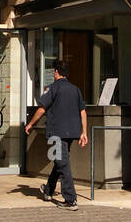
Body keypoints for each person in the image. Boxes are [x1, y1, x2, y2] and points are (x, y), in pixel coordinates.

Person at [24, 60, 86, 211]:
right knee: (60, 160)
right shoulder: (75, 89)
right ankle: (48, 190)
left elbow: (42, 108)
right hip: (72, 132)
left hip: (57, 132)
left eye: (54, 72)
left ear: (56, 72)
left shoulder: (52, 88)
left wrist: (30, 124)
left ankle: (71, 200)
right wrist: (84, 132)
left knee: (62, 163)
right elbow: (83, 112)